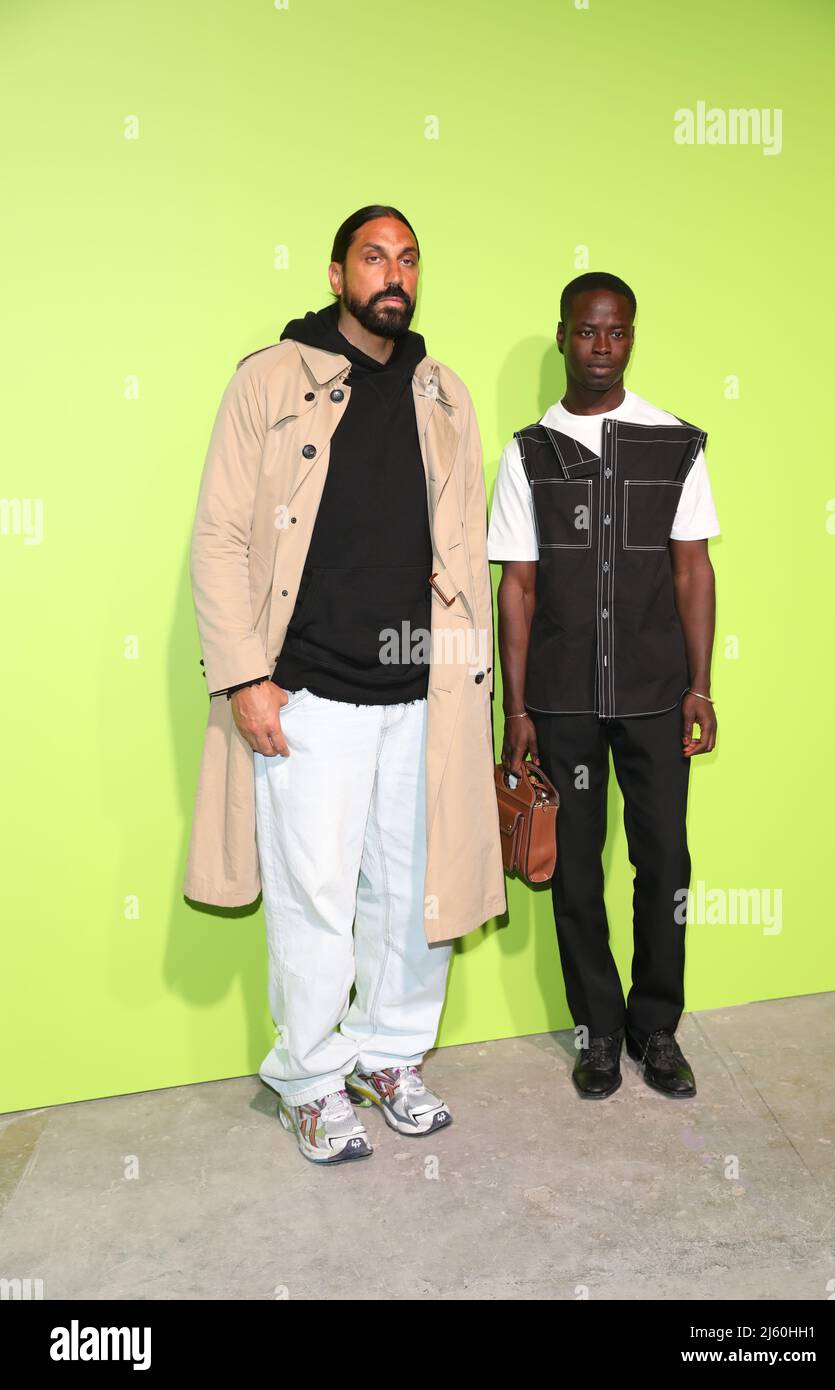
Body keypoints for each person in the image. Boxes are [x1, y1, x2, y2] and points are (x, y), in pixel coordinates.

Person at [184, 206, 505, 1163]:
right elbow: (220, 536)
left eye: (408, 259)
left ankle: (392, 1053)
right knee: (315, 897)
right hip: (310, 691)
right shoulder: (270, 380)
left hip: (426, 696)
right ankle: (314, 1075)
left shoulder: (444, 394)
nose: (393, 274)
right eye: (374, 257)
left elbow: (466, 550)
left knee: (414, 891)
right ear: (336, 274)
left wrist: (470, 686)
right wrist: (247, 676)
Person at [488, 271, 719, 1100]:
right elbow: (515, 586)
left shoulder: (675, 442)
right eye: (586, 331)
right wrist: (515, 708)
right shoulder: (528, 453)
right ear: (562, 336)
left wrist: (701, 686)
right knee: (575, 869)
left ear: (631, 338)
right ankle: (598, 1029)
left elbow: (693, 572)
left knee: (665, 860)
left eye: (616, 332)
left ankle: (657, 1029)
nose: (601, 347)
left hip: (658, 694)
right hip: (562, 699)